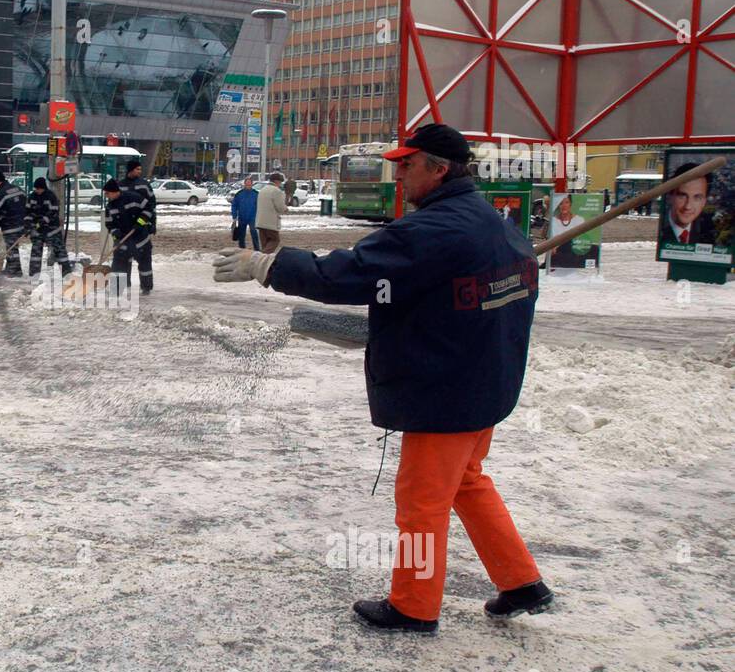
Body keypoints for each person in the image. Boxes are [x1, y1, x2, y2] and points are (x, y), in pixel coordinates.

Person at [213, 123, 552, 634]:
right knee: (468, 483)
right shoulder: (489, 221)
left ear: (439, 169)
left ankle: (413, 607)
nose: (399, 174)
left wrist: (267, 265)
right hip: (485, 381)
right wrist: (402, 327)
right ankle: (521, 582)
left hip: (448, 391)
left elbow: (348, 273)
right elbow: (453, 295)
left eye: (407, 164)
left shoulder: (434, 229)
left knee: (421, 504)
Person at [102, 177, 150, 294]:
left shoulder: (133, 198)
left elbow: (148, 209)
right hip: (123, 239)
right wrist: (115, 234)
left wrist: (140, 222)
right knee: (118, 264)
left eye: (107, 193)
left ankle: (146, 288)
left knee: (144, 265)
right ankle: (117, 289)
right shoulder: (110, 207)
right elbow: (109, 224)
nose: (106, 196)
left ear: (114, 191)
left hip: (140, 239)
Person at [117, 160, 155, 293]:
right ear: (130, 170)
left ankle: (146, 287)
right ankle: (123, 286)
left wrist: (151, 224)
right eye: (137, 169)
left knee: (144, 260)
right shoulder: (120, 185)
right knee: (122, 260)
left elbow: (152, 206)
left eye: (140, 169)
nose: (140, 171)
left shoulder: (144, 185)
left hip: (140, 228)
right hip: (124, 229)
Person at [26, 176, 71, 277]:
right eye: (35, 189)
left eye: (38, 188)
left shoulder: (50, 196)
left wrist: (43, 221)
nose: (36, 190)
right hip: (37, 230)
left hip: (52, 230)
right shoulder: (32, 197)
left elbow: (53, 212)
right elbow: (28, 212)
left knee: (59, 251)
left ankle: (66, 273)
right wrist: (28, 224)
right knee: (36, 253)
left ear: (43, 188)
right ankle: (34, 274)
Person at [661, 164, 715, 245]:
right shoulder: (661, 230)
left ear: (704, 202)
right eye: (682, 196)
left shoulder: (708, 232)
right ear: (670, 196)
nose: (688, 206)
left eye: (697, 197)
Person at [0, 171, 26, 277]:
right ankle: (12, 268)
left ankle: (15, 271)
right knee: (13, 246)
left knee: (11, 247)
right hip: (22, 223)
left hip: (9, 224)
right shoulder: (18, 189)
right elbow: (27, 203)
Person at [254, 171, 289, 253]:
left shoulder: (262, 190)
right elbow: (280, 207)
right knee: (275, 240)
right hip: (270, 222)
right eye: (280, 182)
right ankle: (261, 256)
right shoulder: (276, 191)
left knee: (265, 244)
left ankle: (264, 263)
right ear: (277, 181)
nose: (280, 184)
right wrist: (285, 209)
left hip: (260, 221)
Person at [230, 176, 260, 250]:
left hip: (253, 217)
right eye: (246, 185)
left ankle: (257, 249)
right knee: (241, 235)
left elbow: (260, 205)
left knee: (254, 233)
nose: (248, 186)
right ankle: (242, 249)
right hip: (242, 217)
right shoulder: (239, 194)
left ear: (252, 185)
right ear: (244, 184)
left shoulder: (256, 194)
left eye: (249, 185)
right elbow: (234, 205)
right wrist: (234, 216)